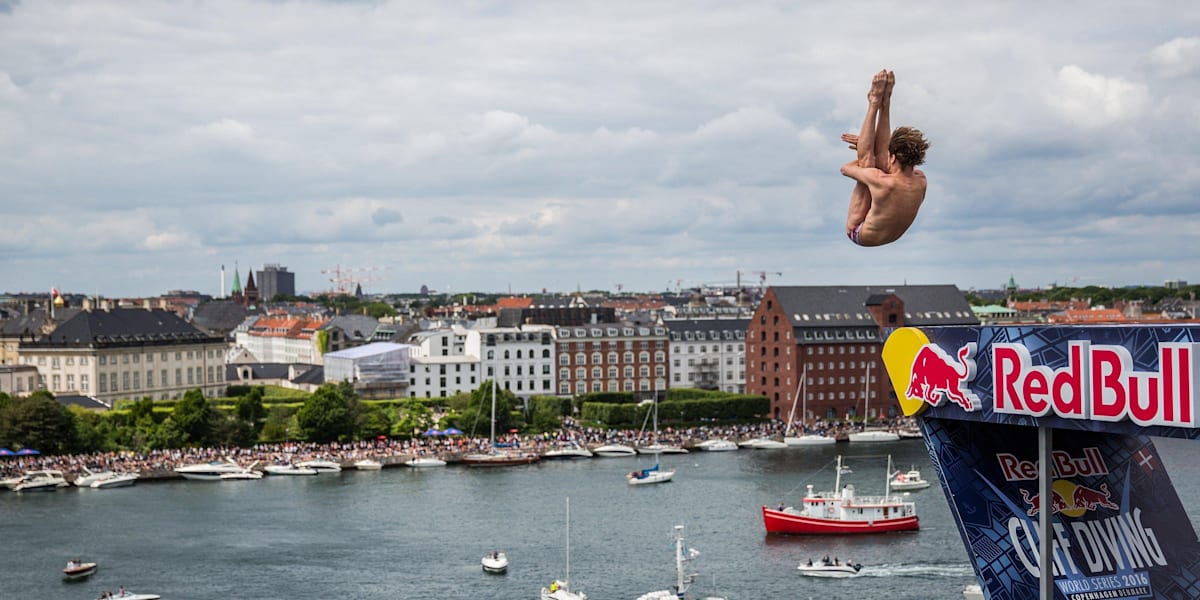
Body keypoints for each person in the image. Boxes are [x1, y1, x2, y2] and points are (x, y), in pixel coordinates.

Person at [840, 69, 930, 247]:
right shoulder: (921, 180)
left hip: (860, 232)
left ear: (894, 156)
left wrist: (865, 146)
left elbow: (845, 168)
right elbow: (888, 162)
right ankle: (885, 101)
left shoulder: (882, 181)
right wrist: (868, 143)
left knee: (868, 163)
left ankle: (875, 102)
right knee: (877, 165)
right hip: (890, 234)